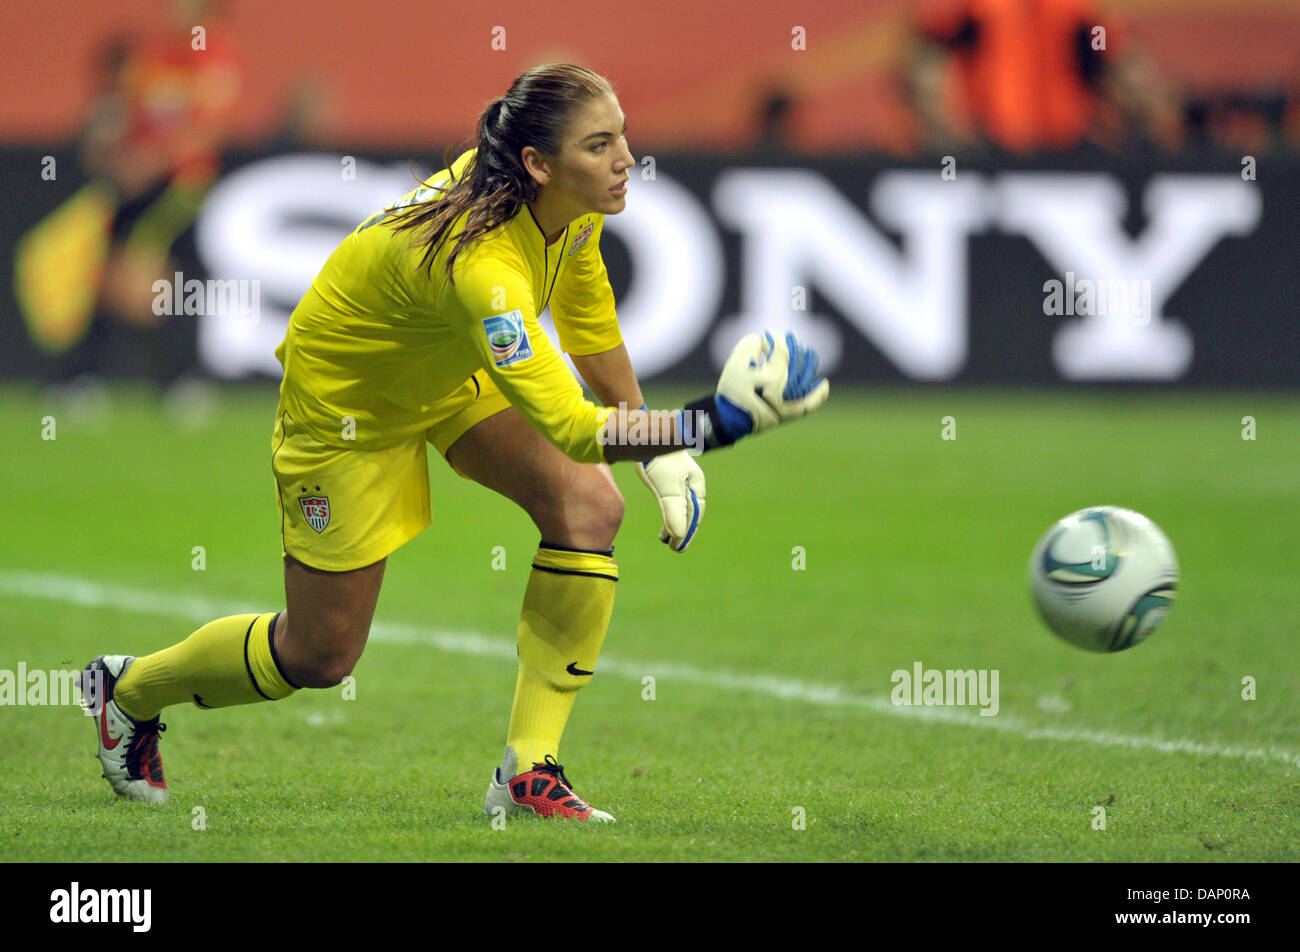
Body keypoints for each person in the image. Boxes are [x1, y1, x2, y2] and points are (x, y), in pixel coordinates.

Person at [79, 64, 829, 822]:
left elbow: (590, 327)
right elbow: (570, 425)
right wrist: (714, 424)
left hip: (449, 363)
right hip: (350, 405)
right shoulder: (483, 268)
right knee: (321, 655)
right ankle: (131, 691)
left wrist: (657, 449)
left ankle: (529, 771)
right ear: (539, 163)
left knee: (587, 511)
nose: (625, 158)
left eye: (622, 136)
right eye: (599, 144)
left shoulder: (566, 205)